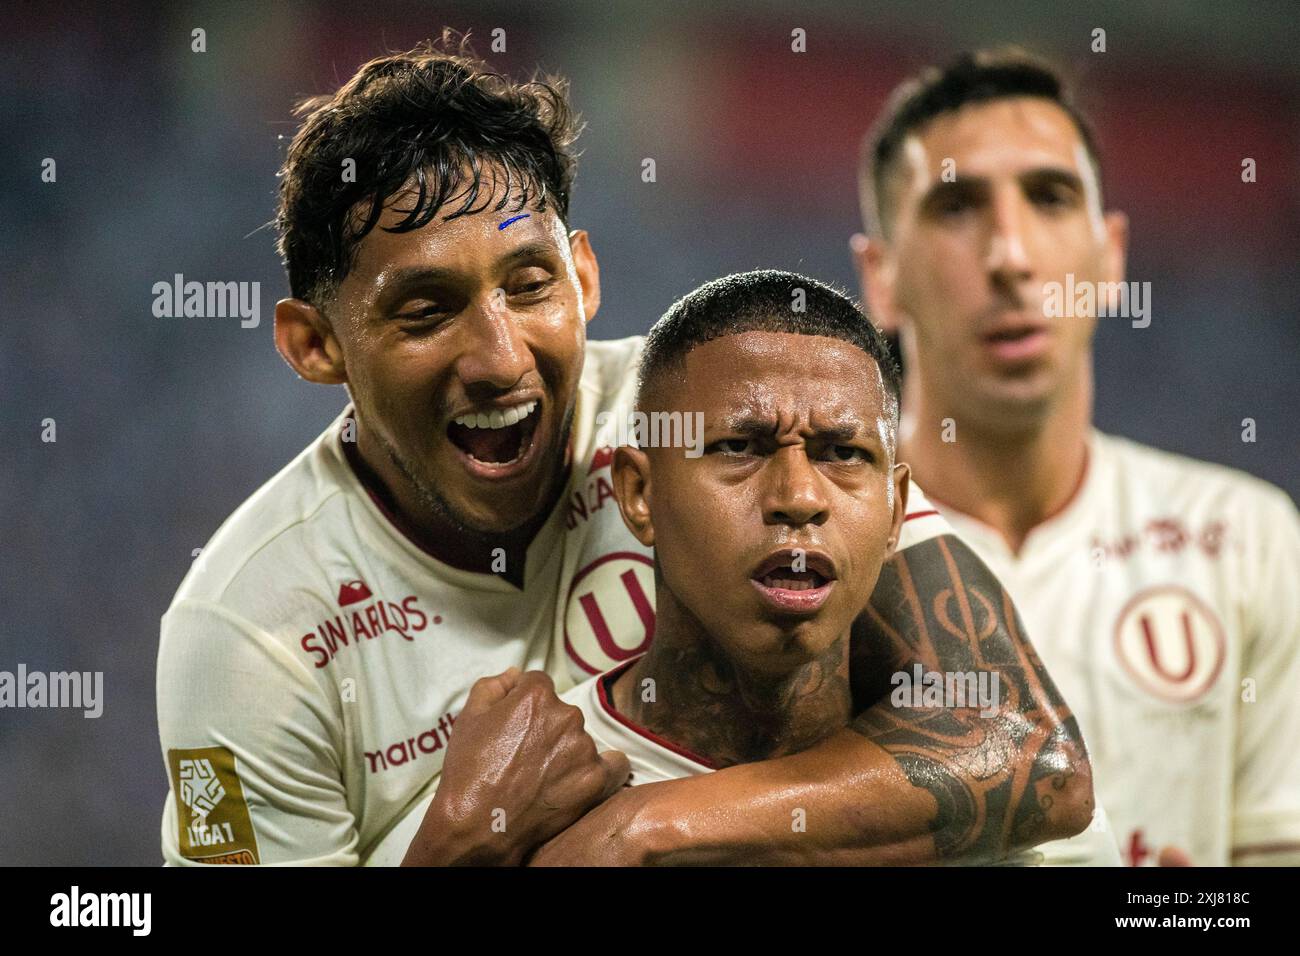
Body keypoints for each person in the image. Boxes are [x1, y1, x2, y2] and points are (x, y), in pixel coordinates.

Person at [156, 36, 1091, 867]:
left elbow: (1027, 752)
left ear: (586, 277)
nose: (500, 358)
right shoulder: (247, 633)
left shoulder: (724, 415)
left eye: (531, 286)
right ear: (314, 345)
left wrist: (648, 828)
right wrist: (458, 849)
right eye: (427, 310)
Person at [850, 48, 1300, 866]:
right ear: (881, 278)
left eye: (1051, 198)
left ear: (1111, 256)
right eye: (955, 207)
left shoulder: (1246, 538)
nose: (1011, 257)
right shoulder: (817, 555)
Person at [547, 270, 1118, 866]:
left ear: (897, 510)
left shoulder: (1024, 835)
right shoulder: (547, 806)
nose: (798, 496)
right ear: (640, 494)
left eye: (843, 454)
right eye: (739, 448)